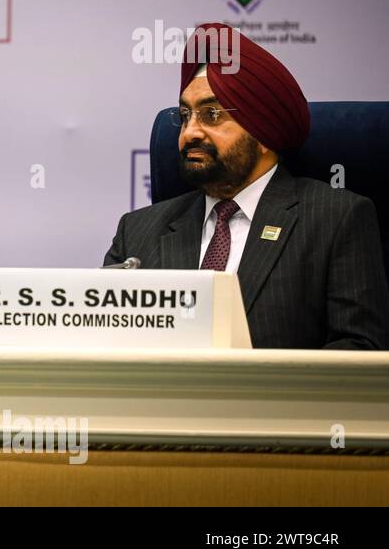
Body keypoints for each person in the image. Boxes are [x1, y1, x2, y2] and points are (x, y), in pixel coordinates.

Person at [105, 23, 388, 349]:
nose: (189, 133)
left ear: (263, 131)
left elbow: (360, 353)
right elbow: (101, 343)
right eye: (185, 115)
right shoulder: (138, 231)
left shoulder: (336, 220)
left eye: (211, 114)